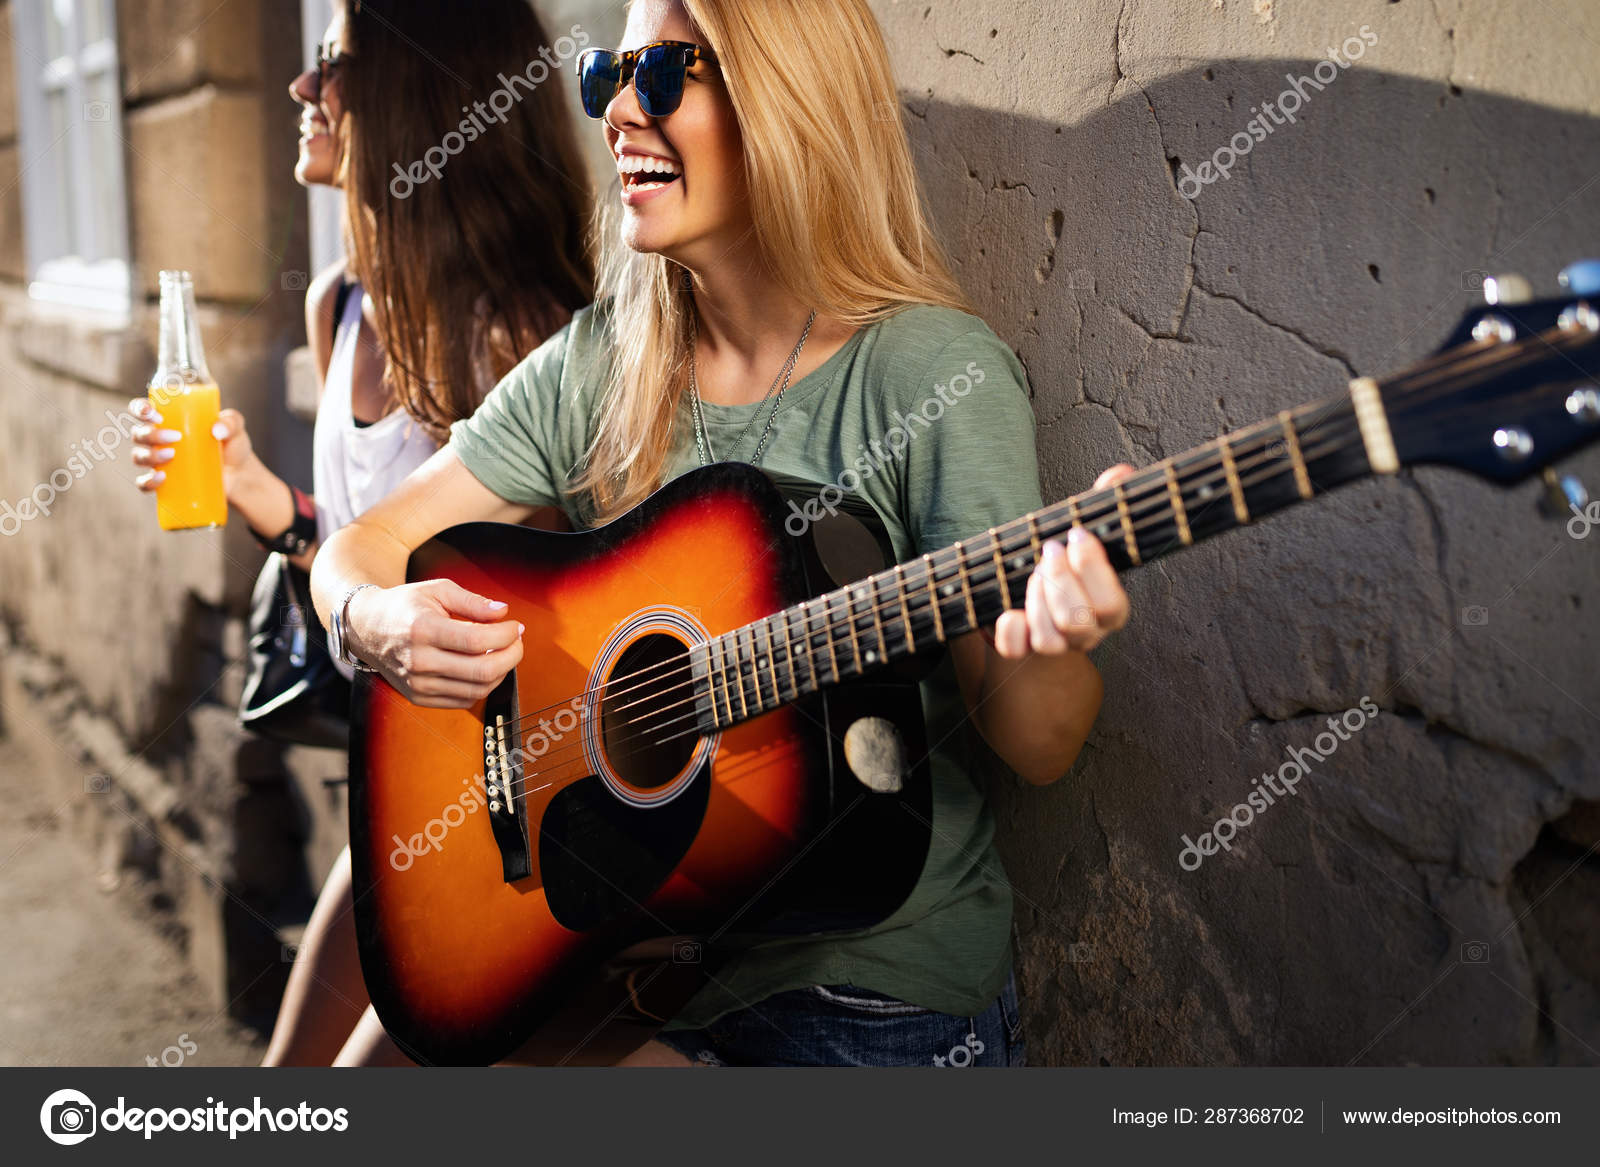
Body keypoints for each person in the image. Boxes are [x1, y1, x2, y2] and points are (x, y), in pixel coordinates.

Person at [311, 0, 1133, 1067]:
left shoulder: (934, 375)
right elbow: (362, 550)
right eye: (609, 72)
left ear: (784, 101)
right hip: (649, 973)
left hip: (871, 1001)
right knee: (376, 1063)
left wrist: (1053, 645)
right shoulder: (602, 363)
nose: (616, 109)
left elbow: (1038, 742)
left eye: (661, 78)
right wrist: (372, 620)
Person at [128, 0, 594, 1065]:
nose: (303, 89)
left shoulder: (520, 340)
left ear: (416, 93)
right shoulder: (339, 307)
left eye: (330, 64)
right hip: (396, 794)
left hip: (502, 828)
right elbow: (358, 552)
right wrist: (260, 498)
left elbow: (564, 616)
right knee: (291, 1084)